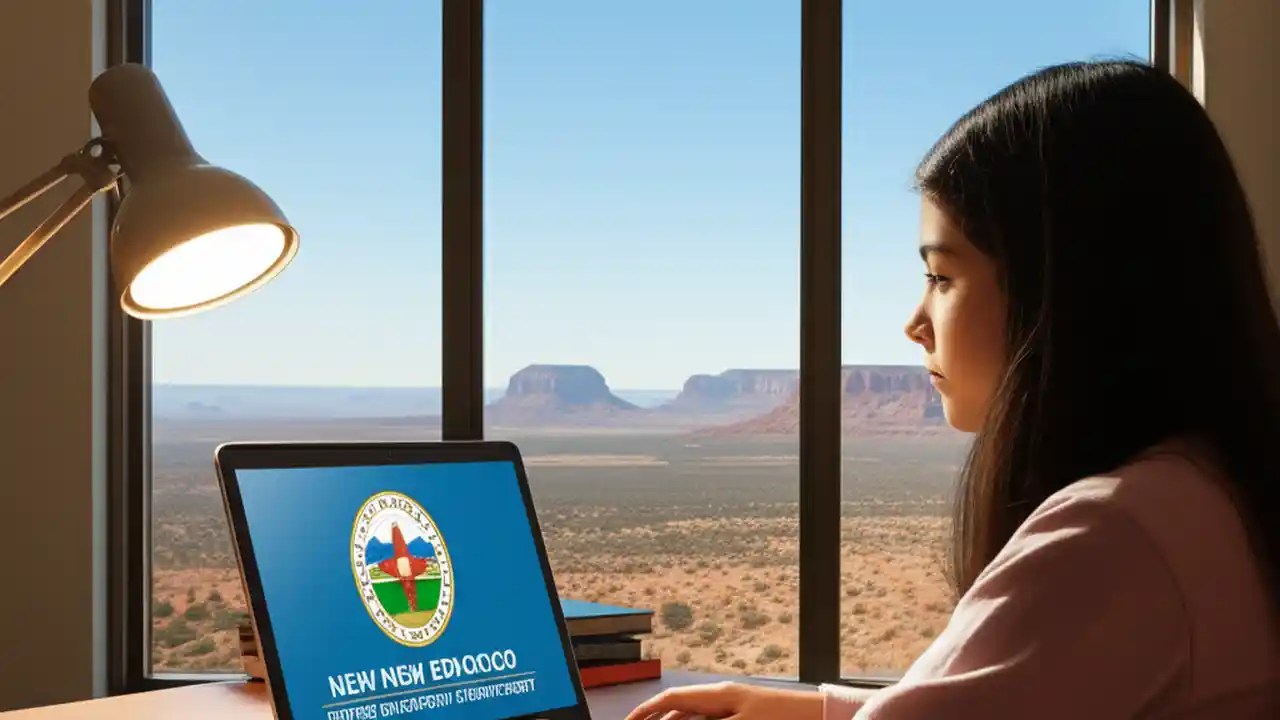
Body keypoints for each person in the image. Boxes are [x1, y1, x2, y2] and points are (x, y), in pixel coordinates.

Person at [624, 60, 1280, 719]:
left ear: (1061, 287)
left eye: (942, 277)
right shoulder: (1202, 492)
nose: (914, 324)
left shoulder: (1111, 536)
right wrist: (808, 711)